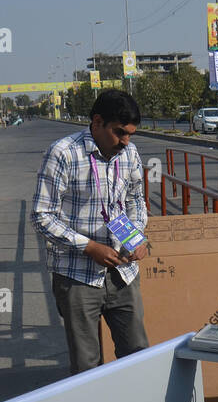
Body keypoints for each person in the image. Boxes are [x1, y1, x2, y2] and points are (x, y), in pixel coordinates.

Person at [31, 89, 149, 374]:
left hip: (123, 273)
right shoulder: (63, 153)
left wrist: (136, 237)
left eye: (130, 134)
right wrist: (89, 247)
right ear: (97, 123)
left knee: (138, 354)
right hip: (77, 275)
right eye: (119, 132)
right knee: (87, 365)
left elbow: (135, 200)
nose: (125, 141)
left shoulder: (129, 153)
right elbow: (41, 216)